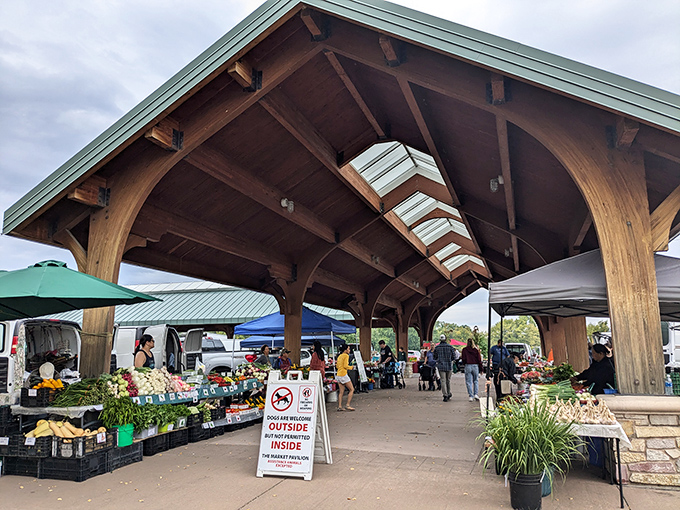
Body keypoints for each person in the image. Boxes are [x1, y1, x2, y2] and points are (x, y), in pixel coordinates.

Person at [434, 334, 455, 402]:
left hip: (441, 365)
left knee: (443, 380)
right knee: (448, 380)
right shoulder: (450, 347)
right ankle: (448, 393)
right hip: (449, 365)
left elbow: (435, 357)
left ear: (440, 340)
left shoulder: (437, 348)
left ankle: (445, 394)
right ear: (445, 339)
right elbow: (454, 357)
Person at [336, 344, 355, 411]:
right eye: (349, 349)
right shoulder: (346, 356)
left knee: (341, 392)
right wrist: (351, 367)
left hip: (338, 375)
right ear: (345, 350)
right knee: (351, 389)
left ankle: (340, 406)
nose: (349, 350)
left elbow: (337, 366)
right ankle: (348, 405)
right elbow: (346, 366)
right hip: (343, 374)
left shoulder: (339, 356)